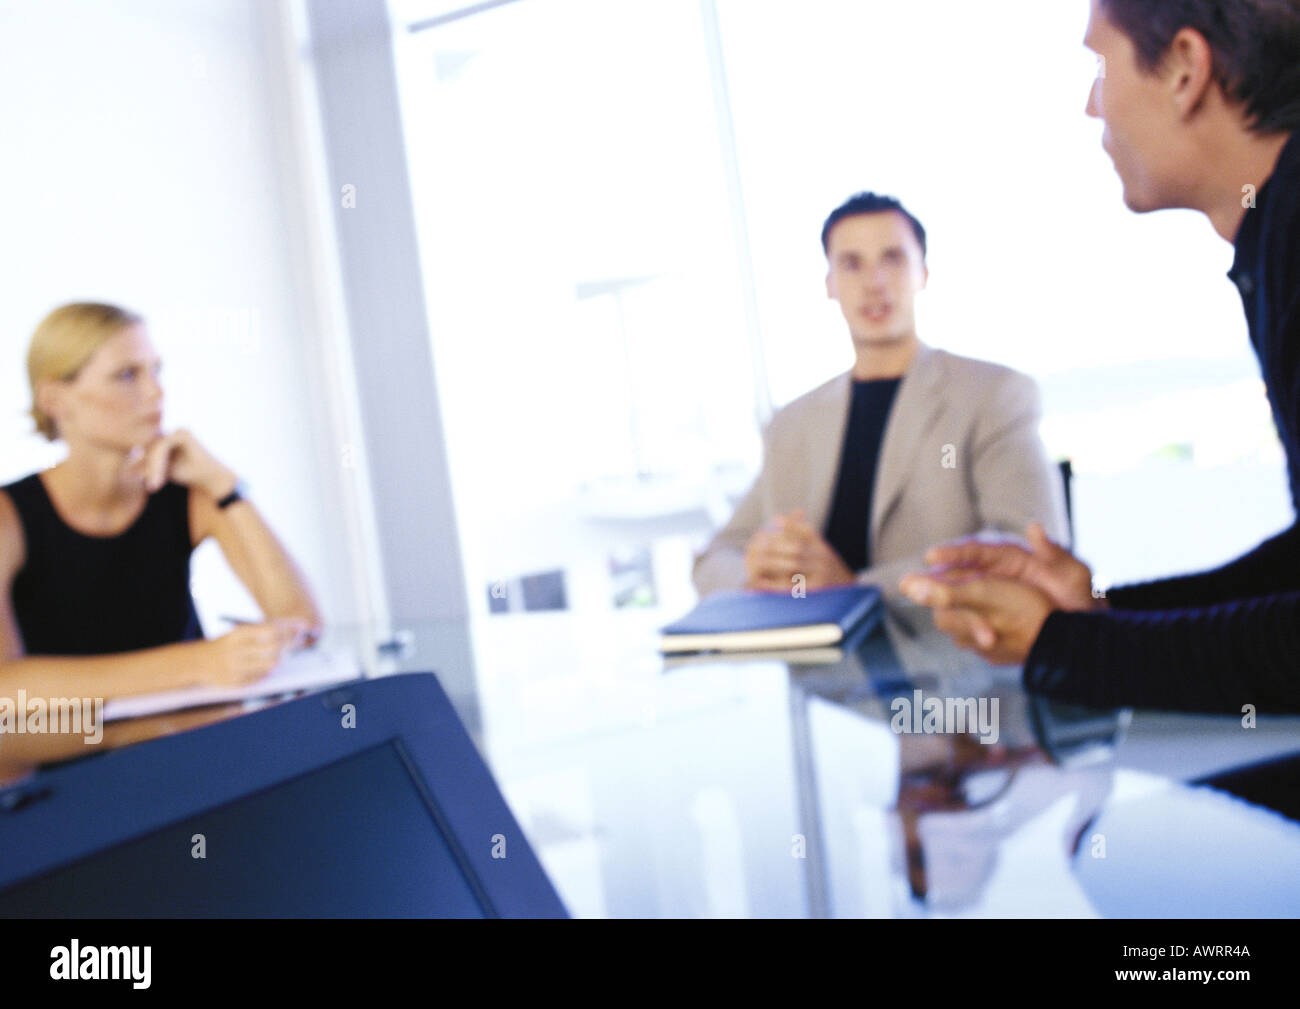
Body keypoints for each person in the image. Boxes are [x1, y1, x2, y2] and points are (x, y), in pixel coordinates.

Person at [900, 0, 1300, 713]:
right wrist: (1102, 615)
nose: (1092, 105)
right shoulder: (1275, 233)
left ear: (1184, 67)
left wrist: (1062, 644)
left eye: (1099, 62)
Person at [692, 193, 1069, 601]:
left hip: (949, 655)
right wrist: (756, 573)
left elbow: (1029, 548)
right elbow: (714, 558)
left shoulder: (992, 396)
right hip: (816, 660)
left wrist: (856, 590)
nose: (874, 282)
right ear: (830, 284)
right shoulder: (792, 426)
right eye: (852, 264)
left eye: (892, 259)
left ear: (922, 272)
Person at [0, 302, 323, 710]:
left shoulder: (189, 495)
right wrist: (199, 662)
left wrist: (224, 484)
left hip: (196, 744)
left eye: (156, 370)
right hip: (73, 762)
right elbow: (6, 690)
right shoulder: (9, 516)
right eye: (127, 375)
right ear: (54, 400)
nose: (156, 392)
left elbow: (303, 624)